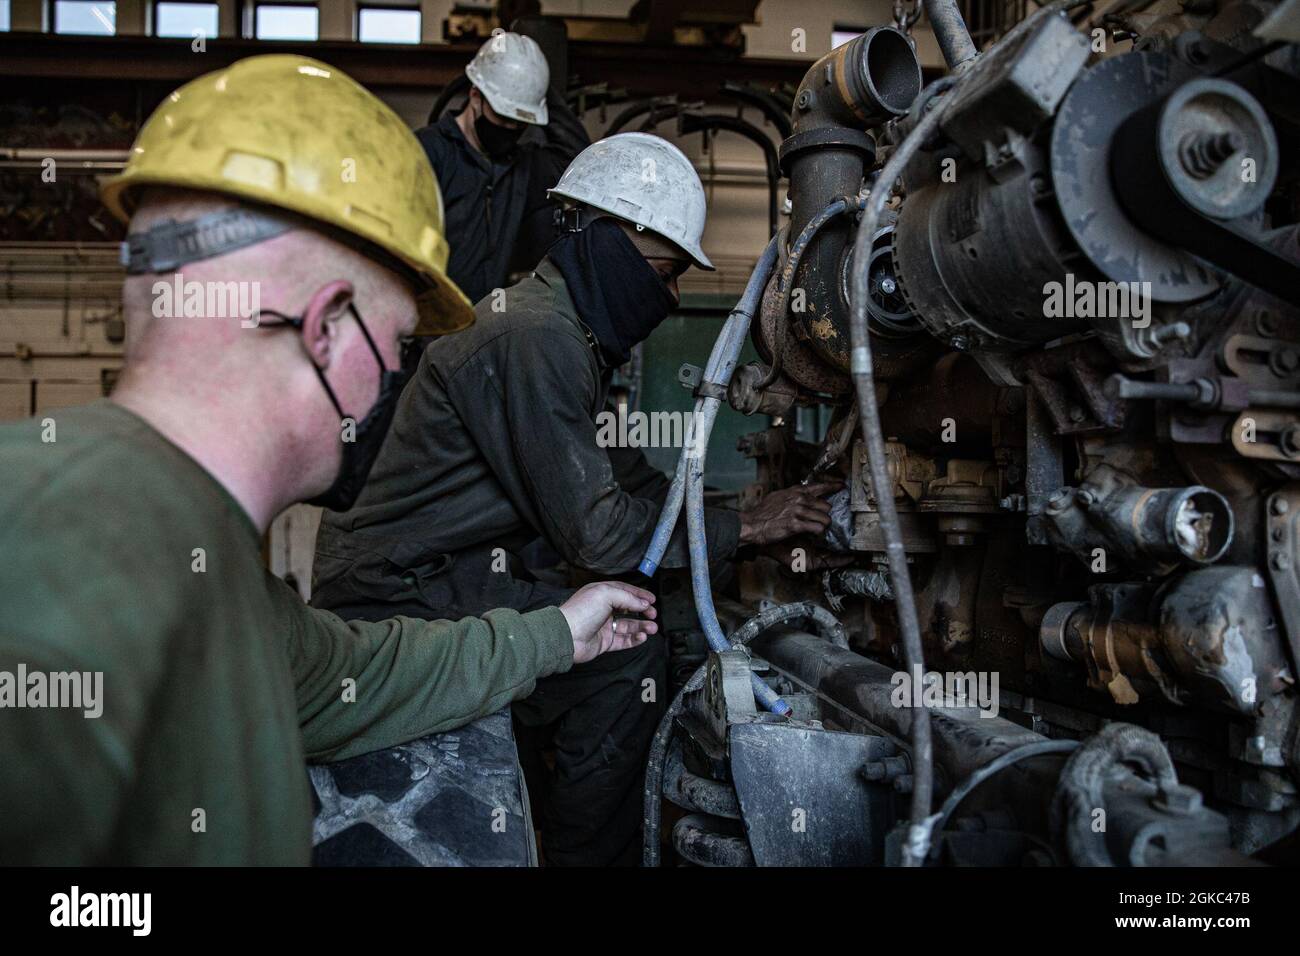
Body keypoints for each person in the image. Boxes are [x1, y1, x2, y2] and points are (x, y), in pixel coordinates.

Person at [0, 55, 656, 866]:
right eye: (396, 343)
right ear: (326, 327)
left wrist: (560, 632)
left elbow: (353, 672)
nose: (392, 376)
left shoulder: (198, 562)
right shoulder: (47, 573)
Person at [311, 132, 837, 866]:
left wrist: (737, 515)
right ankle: (584, 855)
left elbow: (631, 482)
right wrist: (745, 526)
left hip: (445, 568)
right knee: (625, 657)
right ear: (607, 244)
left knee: (666, 611)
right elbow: (602, 536)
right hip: (397, 588)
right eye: (665, 272)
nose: (672, 296)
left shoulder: (563, 336)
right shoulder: (537, 338)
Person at [416, 30, 590, 305]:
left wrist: (535, 86)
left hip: (483, 324)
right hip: (429, 325)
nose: (510, 130)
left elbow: (577, 160)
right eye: (502, 116)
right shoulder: (429, 152)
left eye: (519, 123)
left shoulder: (521, 166)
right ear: (475, 96)